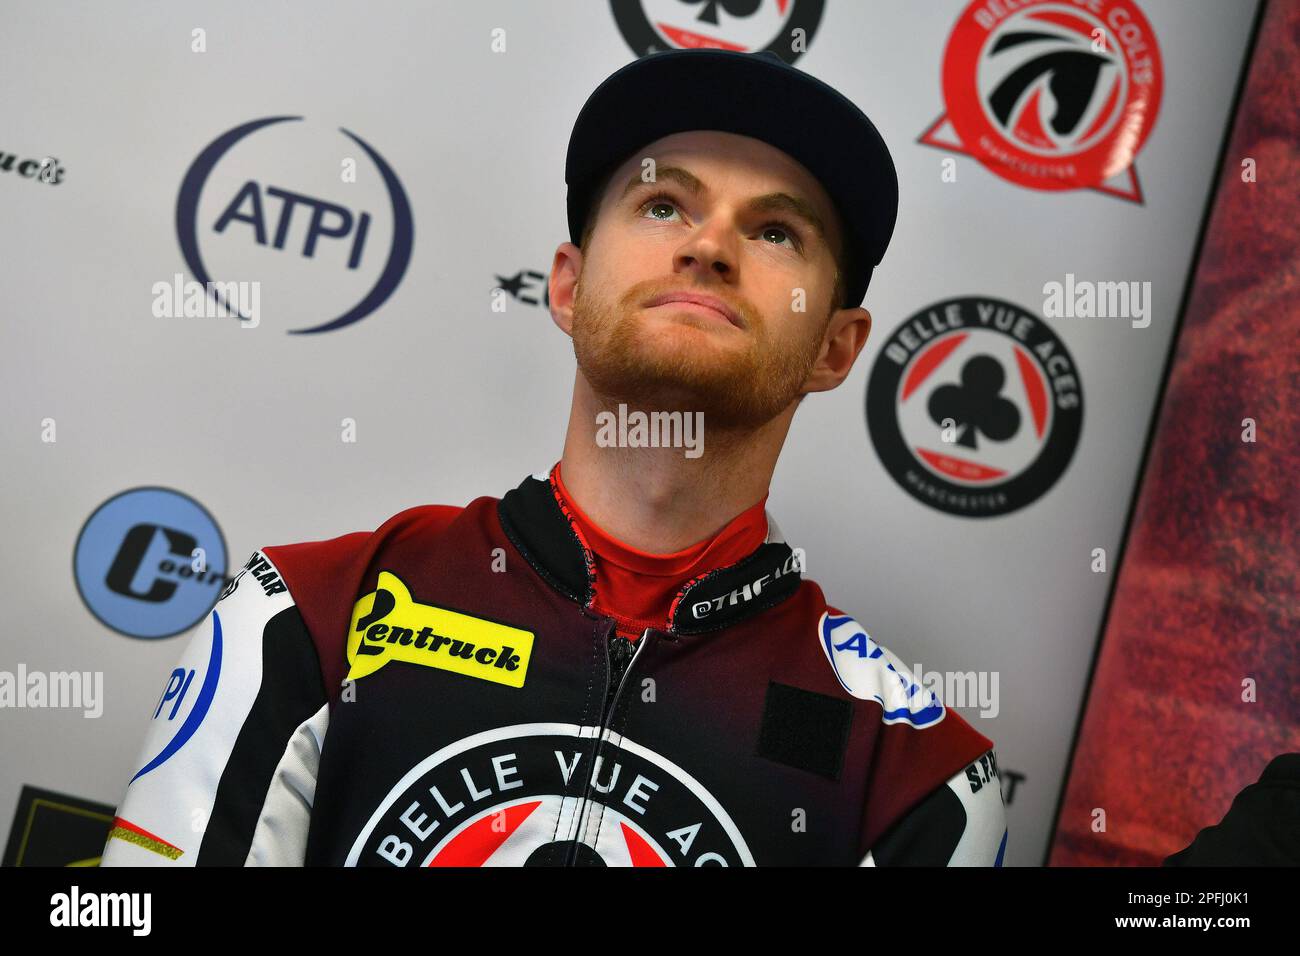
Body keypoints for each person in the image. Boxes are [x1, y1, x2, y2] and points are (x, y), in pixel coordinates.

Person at [101, 48, 1006, 867]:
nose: (708, 246)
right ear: (568, 288)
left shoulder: (918, 776)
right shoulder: (302, 619)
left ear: (837, 349)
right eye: (663, 204)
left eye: (776, 232)